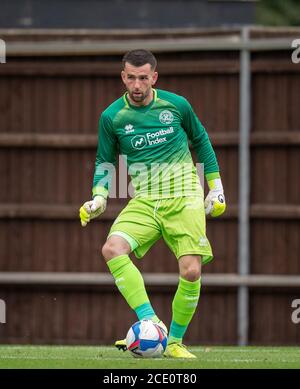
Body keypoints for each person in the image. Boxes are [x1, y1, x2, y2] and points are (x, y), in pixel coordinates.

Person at [79, 49, 226, 358]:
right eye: (130, 78)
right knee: (111, 249)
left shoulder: (177, 105)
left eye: (143, 78)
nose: (136, 85)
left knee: (190, 272)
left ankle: (173, 342)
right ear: (123, 77)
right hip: (144, 199)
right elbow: (104, 161)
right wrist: (100, 196)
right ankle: (151, 322)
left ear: (154, 77)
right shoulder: (112, 117)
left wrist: (216, 188)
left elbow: (201, 141)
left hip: (185, 195)